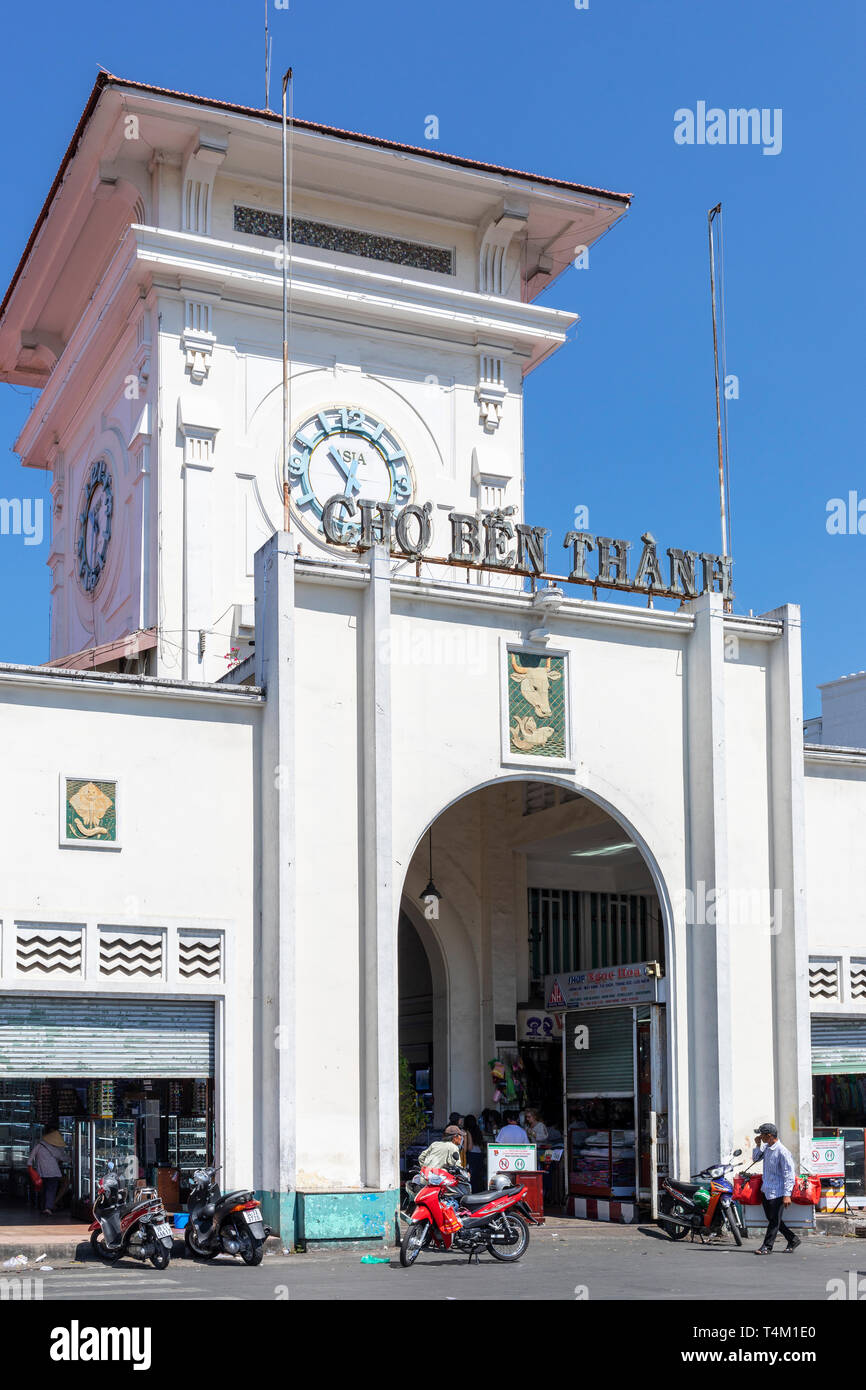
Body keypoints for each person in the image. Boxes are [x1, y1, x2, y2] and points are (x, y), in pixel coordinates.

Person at [752, 1122, 800, 1255]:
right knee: (773, 1219)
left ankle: (767, 1246)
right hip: (766, 1190)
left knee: (774, 1221)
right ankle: (793, 1239)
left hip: (778, 1191)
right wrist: (757, 1145)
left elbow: (789, 1174)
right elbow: (756, 1158)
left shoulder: (782, 1152)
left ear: (769, 1135)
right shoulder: (767, 1147)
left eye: (761, 1135)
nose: (760, 1137)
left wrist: (787, 1194)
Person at [417, 1125, 470, 1206]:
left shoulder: (435, 1144)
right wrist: (465, 1174)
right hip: (437, 1182)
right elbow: (457, 1167)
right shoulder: (453, 1147)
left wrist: (426, 1171)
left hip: (424, 1180)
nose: (461, 1138)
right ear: (455, 1137)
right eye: (460, 1136)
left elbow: (421, 1158)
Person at [28, 1123, 68, 1216]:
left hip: (41, 1173)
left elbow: (30, 1159)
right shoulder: (54, 1148)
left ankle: (43, 1207)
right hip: (53, 1173)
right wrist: (72, 1159)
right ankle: (48, 1208)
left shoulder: (39, 1145)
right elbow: (62, 1157)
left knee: (44, 1190)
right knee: (51, 1190)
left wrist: (30, 1167)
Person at [463, 1113, 486, 1192]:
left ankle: (472, 1191)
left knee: (471, 1175)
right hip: (479, 1154)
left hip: (472, 1155)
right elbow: (482, 1144)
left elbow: (470, 1147)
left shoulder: (467, 1132)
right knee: (478, 1175)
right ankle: (480, 1191)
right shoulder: (478, 1130)